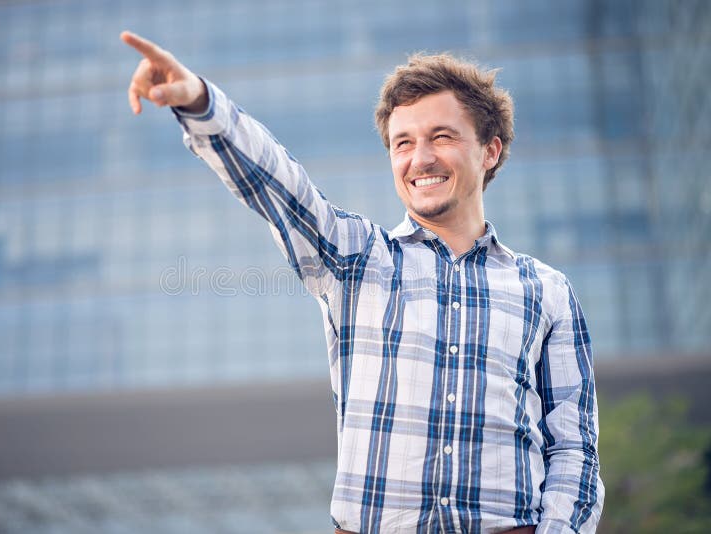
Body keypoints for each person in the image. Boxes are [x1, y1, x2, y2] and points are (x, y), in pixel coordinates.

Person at [121, 30, 604, 534]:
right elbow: (280, 186)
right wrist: (200, 102)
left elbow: (574, 448)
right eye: (403, 143)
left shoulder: (546, 291)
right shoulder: (357, 259)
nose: (420, 159)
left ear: (489, 151)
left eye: (442, 136)